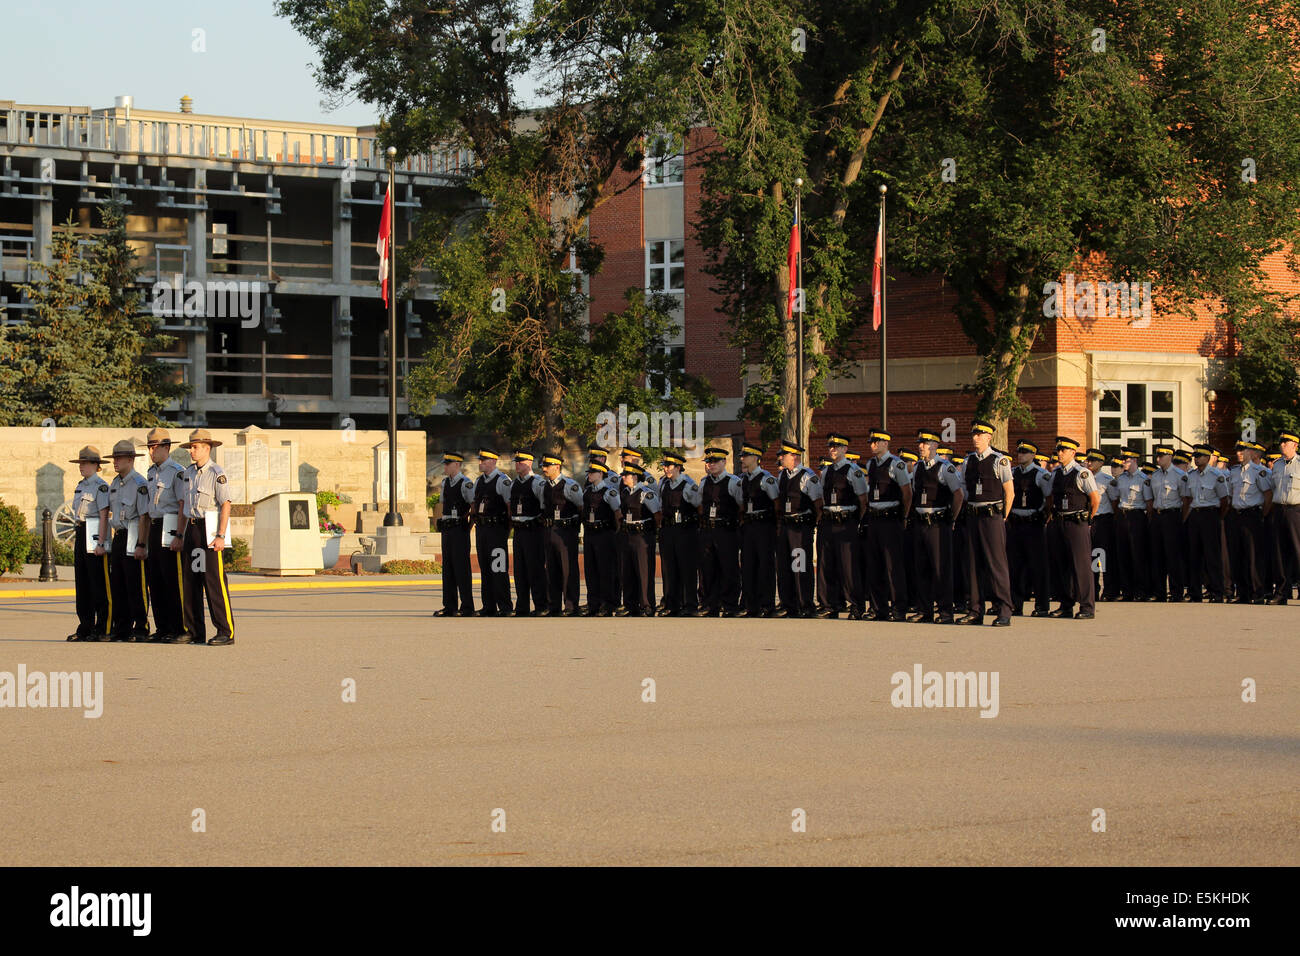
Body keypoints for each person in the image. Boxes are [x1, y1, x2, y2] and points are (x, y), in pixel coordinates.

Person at [173, 429, 235, 645]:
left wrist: (220, 535)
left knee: (214, 582)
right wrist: (180, 535)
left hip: (208, 529)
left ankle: (225, 631)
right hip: (191, 529)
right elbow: (183, 506)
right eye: (191, 447)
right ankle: (194, 630)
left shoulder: (216, 473)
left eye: (195, 447)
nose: (191, 450)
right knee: (191, 582)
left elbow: (226, 504)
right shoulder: (188, 473)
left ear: (207, 448)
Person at [960, 421, 1013, 626]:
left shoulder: (999, 461)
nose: (976, 438)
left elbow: (1010, 491)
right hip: (974, 514)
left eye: (980, 435)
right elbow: (964, 488)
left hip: (992, 516)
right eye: (974, 435)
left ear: (989, 437)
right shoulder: (968, 461)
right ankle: (975, 610)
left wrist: (1004, 516)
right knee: (973, 564)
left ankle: (1004, 610)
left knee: (996, 564)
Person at [909, 430, 964, 624]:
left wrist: (952, 518)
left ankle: (945, 611)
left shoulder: (945, 468)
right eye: (920, 443)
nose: (921, 446)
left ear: (934, 446)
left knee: (941, 568)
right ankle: (925, 610)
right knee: (922, 567)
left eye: (924, 444)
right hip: (921, 522)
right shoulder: (918, 468)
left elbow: (958, 494)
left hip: (938, 523)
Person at [1047, 437, 1101, 619]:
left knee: (1081, 566)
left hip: (1077, 522)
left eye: (1063, 450)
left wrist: (1088, 520)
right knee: (1062, 565)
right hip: (1060, 521)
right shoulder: (1056, 473)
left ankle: (1087, 607)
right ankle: (1066, 604)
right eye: (1058, 450)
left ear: (1072, 453)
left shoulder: (1082, 473)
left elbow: (1095, 499)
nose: (1059, 453)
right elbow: (1051, 498)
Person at [862, 429, 912, 621]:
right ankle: (878, 608)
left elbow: (907, 493)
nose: (872, 445)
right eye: (871, 442)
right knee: (875, 565)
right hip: (875, 518)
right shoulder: (871, 464)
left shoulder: (896, 464)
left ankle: (898, 608)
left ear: (885, 443)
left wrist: (903, 517)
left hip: (891, 519)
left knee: (893, 565)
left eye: (876, 442)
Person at [143, 428, 186, 642]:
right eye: (150, 447)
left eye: (155, 447)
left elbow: (181, 505)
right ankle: (163, 628)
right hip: (154, 525)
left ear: (166, 448)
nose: (151, 451)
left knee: (172, 580)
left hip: (170, 525)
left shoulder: (177, 472)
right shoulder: (151, 472)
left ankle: (179, 628)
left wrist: (179, 534)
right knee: (155, 579)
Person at [105, 439, 150, 641]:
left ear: (130, 459)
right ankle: (122, 627)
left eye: (119, 458)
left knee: (136, 584)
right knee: (118, 584)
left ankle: (141, 626)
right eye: (114, 458)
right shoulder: (115, 483)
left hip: (133, 534)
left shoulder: (139, 484)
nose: (115, 462)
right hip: (119, 536)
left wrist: (141, 543)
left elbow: (143, 516)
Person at [818, 433, 867, 619]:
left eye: (836, 447)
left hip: (846, 522)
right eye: (830, 446)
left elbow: (863, 499)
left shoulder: (853, 470)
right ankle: (831, 604)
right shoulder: (827, 471)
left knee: (849, 566)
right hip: (829, 520)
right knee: (827, 565)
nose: (832, 450)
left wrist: (856, 521)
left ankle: (856, 604)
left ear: (845, 449)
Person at [67, 446, 111, 642]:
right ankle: (85, 625)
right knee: (82, 582)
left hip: (94, 532)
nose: (81, 467)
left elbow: (103, 516)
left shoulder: (100, 486)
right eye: (80, 463)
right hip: (81, 530)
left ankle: (101, 627)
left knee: (97, 582)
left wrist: (101, 542)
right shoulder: (81, 485)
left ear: (95, 465)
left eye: (85, 463)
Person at [775, 442, 823, 618]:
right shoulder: (782, 476)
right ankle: (789, 604)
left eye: (784, 455)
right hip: (786, 527)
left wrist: (811, 527)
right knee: (784, 568)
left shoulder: (807, 476)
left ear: (794, 456)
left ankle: (805, 605)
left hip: (800, 529)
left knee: (800, 566)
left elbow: (818, 504)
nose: (781, 457)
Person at [1007, 440, 1053, 617]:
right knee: (1015, 566)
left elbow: (1049, 499)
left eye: (1025, 453)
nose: (1021, 455)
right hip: (1017, 523)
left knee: (1038, 566)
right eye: (1019, 452)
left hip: (1034, 523)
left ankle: (1042, 605)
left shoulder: (1041, 474)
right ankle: (1015, 604)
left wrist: (1044, 517)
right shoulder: (1013, 473)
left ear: (1033, 455)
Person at [698, 446, 744, 616]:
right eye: (709, 462)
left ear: (724, 462)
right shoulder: (704, 482)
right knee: (708, 568)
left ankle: (729, 603)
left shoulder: (733, 482)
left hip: (726, 530)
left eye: (715, 461)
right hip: (709, 529)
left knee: (728, 567)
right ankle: (710, 603)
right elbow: (701, 505)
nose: (711, 465)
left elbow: (741, 506)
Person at [738, 443, 780, 618]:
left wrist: (777, 526)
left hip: (764, 525)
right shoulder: (744, 479)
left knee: (765, 565)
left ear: (755, 458)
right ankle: (751, 605)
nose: (742, 459)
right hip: (749, 526)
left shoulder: (766, 479)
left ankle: (767, 604)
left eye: (746, 456)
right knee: (748, 566)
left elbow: (777, 503)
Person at [658, 451, 702, 617]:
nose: (665, 469)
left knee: (687, 568)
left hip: (685, 530)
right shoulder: (664, 484)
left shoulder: (688, 485)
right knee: (670, 568)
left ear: (678, 467)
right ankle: (672, 604)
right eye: (664, 466)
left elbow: (699, 507)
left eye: (669, 466)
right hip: (669, 530)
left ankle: (690, 604)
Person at [1228, 442, 1272, 604]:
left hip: (1252, 515)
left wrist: (1262, 516)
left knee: (1254, 556)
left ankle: (1258, 593)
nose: (1239, 453)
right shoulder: (1234, 472)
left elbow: (1268, 495)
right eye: (1237, 450)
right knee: (1237, 555)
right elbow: (1231, 495)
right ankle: (1243, 593)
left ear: (1250, 452)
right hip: (1237, 515)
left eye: (1242, 450)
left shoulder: (1259, 472)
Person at [1183, 444, 1228, 602]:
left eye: (1200, 456)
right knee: (1194, 556)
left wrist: (1217, 517)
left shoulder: (1216, 475)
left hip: (1210, 515)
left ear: (1208, 458)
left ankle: (1216, 591)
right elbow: (1188, 499)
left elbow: (1224, 500)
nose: (1196, 458)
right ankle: (1195, 592)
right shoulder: (1191, 475)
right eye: (1195, 455)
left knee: (1212, 556)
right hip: (1195, 515)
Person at [540, 454, 584, 616]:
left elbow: (581, 507)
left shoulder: (570, 485)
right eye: (543, 466)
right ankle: (554, 606)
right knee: (551, 569)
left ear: (557, 467)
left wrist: (575, 529)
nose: (544, 469)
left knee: (568, 569)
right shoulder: (545, 486)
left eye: (547, 466)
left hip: (566, 532)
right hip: (550, 530)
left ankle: (571, 606)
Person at [471, 448, 513, 616]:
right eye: (480, 460)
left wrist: (505, 530)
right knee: (485, 569)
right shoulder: (478, 481)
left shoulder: (502, 481)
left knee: (499, 568)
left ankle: (505, 606)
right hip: (482, 529)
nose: (480, 462)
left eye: (484, 460)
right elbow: (474, 503)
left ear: (494, 461)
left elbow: (509, 507)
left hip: (497, 530)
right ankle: (488, 606)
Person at [617, 463, 661, 616]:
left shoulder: (645, 493)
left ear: (635, 477)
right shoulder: (625, 492)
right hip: (628, 534)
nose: (622, 477)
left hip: (642, 535)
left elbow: (657, 514)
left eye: (626, 475)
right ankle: (630, 605)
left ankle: (647, 605)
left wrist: (653, 533)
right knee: (627, 571)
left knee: (644, 572)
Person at [435, 452, 475, 617]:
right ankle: (449, 606)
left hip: (459, 529)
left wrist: (468, 526)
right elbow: (442, 504)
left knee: (461, 568)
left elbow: (473, 507)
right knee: (448, 568)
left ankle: (467, 607)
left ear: (457, 465)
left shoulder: (466, 484)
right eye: (445, 463)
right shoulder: (445, 483)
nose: (444, 466)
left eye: (448, 464)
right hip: (447, 529)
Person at [508, 452, 548, 616]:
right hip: (519, 531)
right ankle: (522, 606)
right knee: (520, 570)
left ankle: (541, 605)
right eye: (516, 462)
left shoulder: (537, 483)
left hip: (533, 531)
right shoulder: (514, 483)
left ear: (530, 463)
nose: (517, 465)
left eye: (520, 461)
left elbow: (544, 507)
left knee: (535, 568)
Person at [581, 462, 622, 616]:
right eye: (589, 472)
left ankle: (608, 604)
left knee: (606, 571)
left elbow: (618, 514)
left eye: (593, 472)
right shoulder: (588, 491)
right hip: (590, 533)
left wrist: (615, 534)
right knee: (591, 570)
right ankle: (594, 604)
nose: (589, 474)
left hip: (604, 533)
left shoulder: (609, 492)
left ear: (601, 474)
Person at [1148, 445, 1188, 602]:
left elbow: (1185, 500)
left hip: (1172, 516)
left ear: (1170, 457)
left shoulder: (1179, 475)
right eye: (1157, 456)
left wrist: (1180, 519)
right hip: (1158, 516)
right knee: (1157, 556)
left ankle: (1177, 592)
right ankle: (1159, 593)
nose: (1158, 459)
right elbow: (1151, 498)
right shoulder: (1155, 476)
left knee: (1173, 556)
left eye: (1162, 456)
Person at [1268, 431, 1300, 604]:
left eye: (1286, 442)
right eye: (1281, 442)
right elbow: (1273, 487)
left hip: (1296, 511)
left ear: (1295, 445)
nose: (1282, 445)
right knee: (1280, 553)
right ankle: (1282, 592)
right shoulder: (1278, 465)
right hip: (1280, 510)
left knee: (1298, 551)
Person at [1086, 451, 1120, 601]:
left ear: (1101, 463)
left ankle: (1109, 590)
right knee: (1092, 555)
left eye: (1093, 460)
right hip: (1089, 521)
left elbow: (1114, 501)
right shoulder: (1085, 477)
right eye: (1088, 460)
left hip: (1103, 520)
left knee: (1103, 556)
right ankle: (1094, 590)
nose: (1089, 463)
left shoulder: (1106, 480)